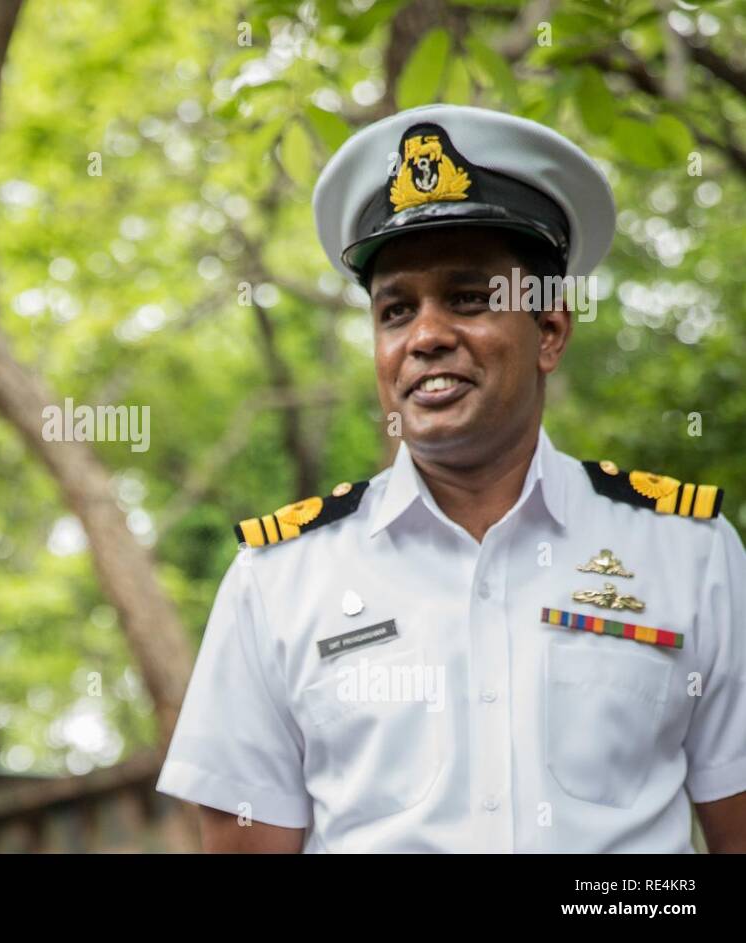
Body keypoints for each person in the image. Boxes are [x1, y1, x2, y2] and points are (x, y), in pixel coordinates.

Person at [156, 104, 746, 853]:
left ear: (550, 332)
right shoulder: (278, 579)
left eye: (468, 299)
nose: (427, 336)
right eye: (396, 310)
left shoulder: (689, 553)